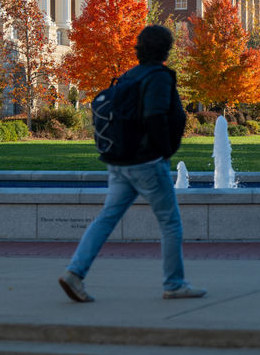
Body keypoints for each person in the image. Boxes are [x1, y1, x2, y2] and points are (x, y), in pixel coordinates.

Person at [58, 25, 207, 303]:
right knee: (171, 223)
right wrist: (164, 152)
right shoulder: (158, 77)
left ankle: (74, 273)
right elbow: (155, 117)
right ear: (165, 49)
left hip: (119, 161)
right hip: (146, 161)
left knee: (106, 218)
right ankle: (174, 284)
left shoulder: (130, 76)